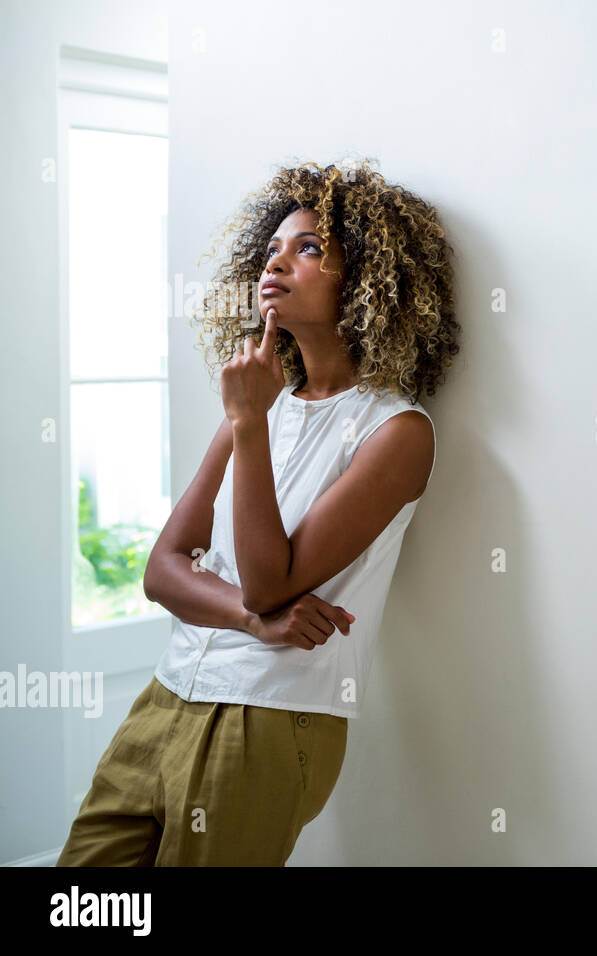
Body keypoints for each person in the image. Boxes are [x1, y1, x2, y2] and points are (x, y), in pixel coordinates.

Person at [56, 159, 460, 866]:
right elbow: (161, 572)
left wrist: (247, 426)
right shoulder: (258, 403)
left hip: (271, 715)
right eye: (272, 249)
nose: (278, 261)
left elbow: (271, 580)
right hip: (169, 691)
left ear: (364, 278)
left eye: (307, 248)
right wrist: (249, 618)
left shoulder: (395, 432)